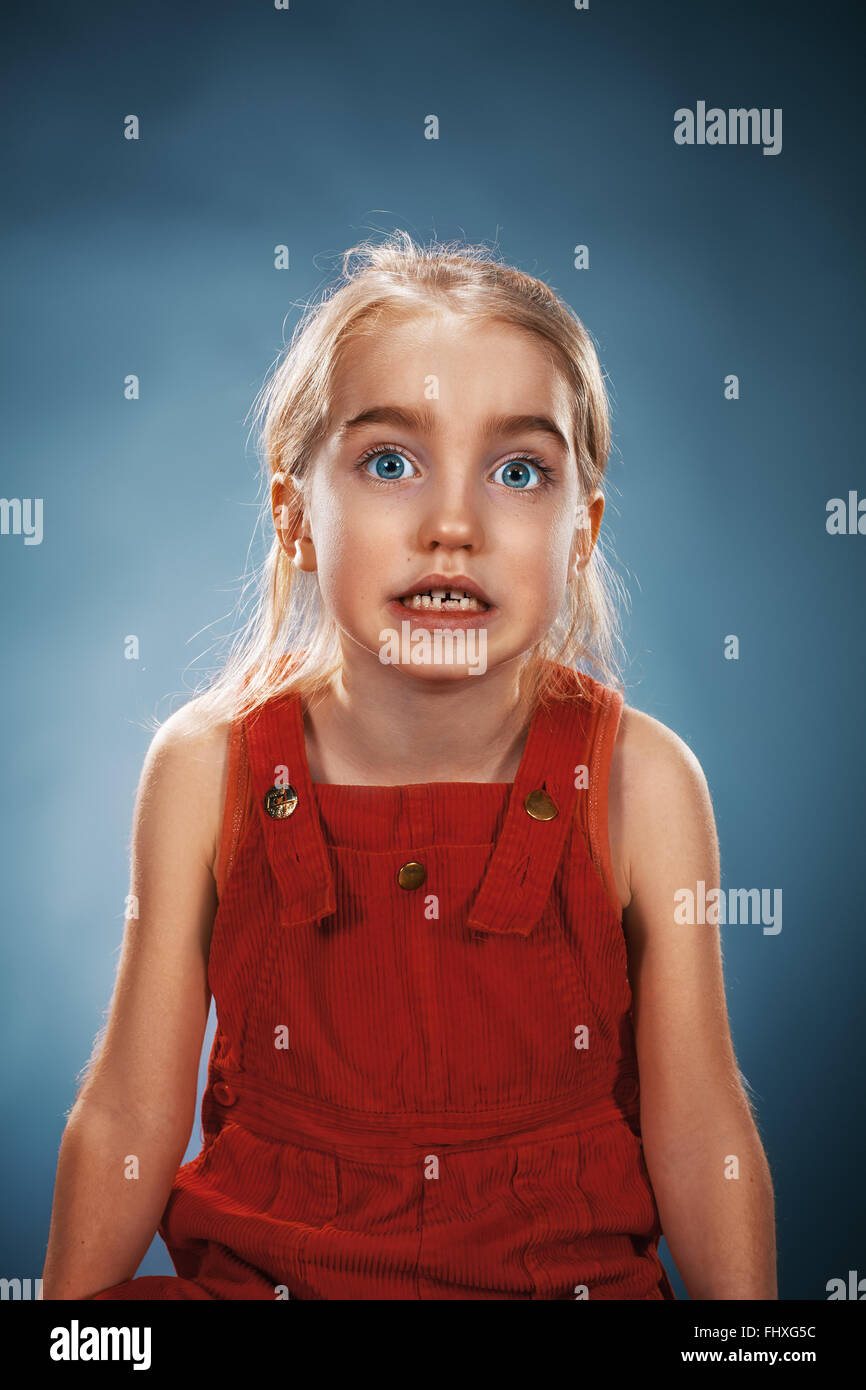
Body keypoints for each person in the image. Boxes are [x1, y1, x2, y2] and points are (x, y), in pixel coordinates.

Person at [41, 232, 777, 1300]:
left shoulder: (641, 783)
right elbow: (125, 1109)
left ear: (580, 534)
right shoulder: (206, 768)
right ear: (296, 519)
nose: (451, 525)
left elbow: (702, 1121)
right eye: (390, 463)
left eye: (517, 471)